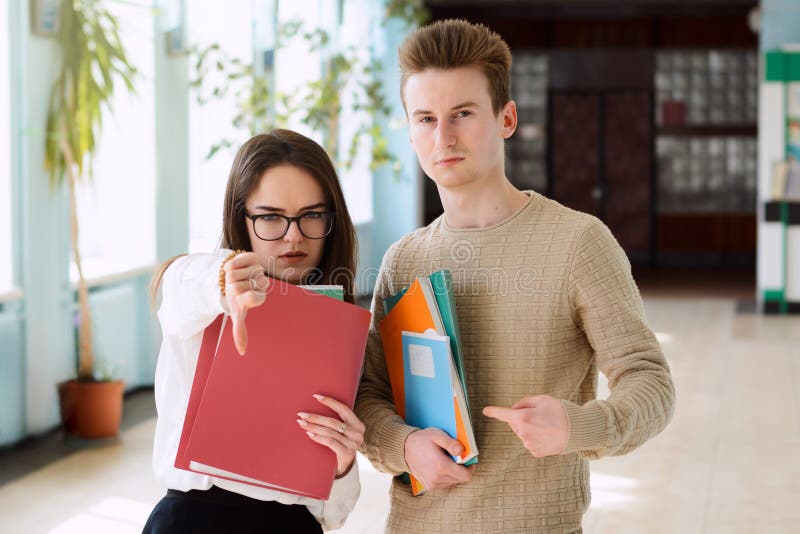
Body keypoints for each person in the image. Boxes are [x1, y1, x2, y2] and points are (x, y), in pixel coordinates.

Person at [354, 19, 675, 533]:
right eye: (426, 118)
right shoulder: (403, 259)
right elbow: (369, 397)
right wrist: (406, 445)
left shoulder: (578, 243)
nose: (444, 136)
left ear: (506, 119)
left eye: (462, 113)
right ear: (410, 130)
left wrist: (576, 424)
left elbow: (651, 384)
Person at [143, 129, 365, 533]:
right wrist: (226, 281)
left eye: (312, 215)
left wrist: (344, 464)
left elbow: (332, 516)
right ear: (241, 218)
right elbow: (182, 283)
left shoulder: (339, 328)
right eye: (270, 217)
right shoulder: (200, 293)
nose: (293, 235)